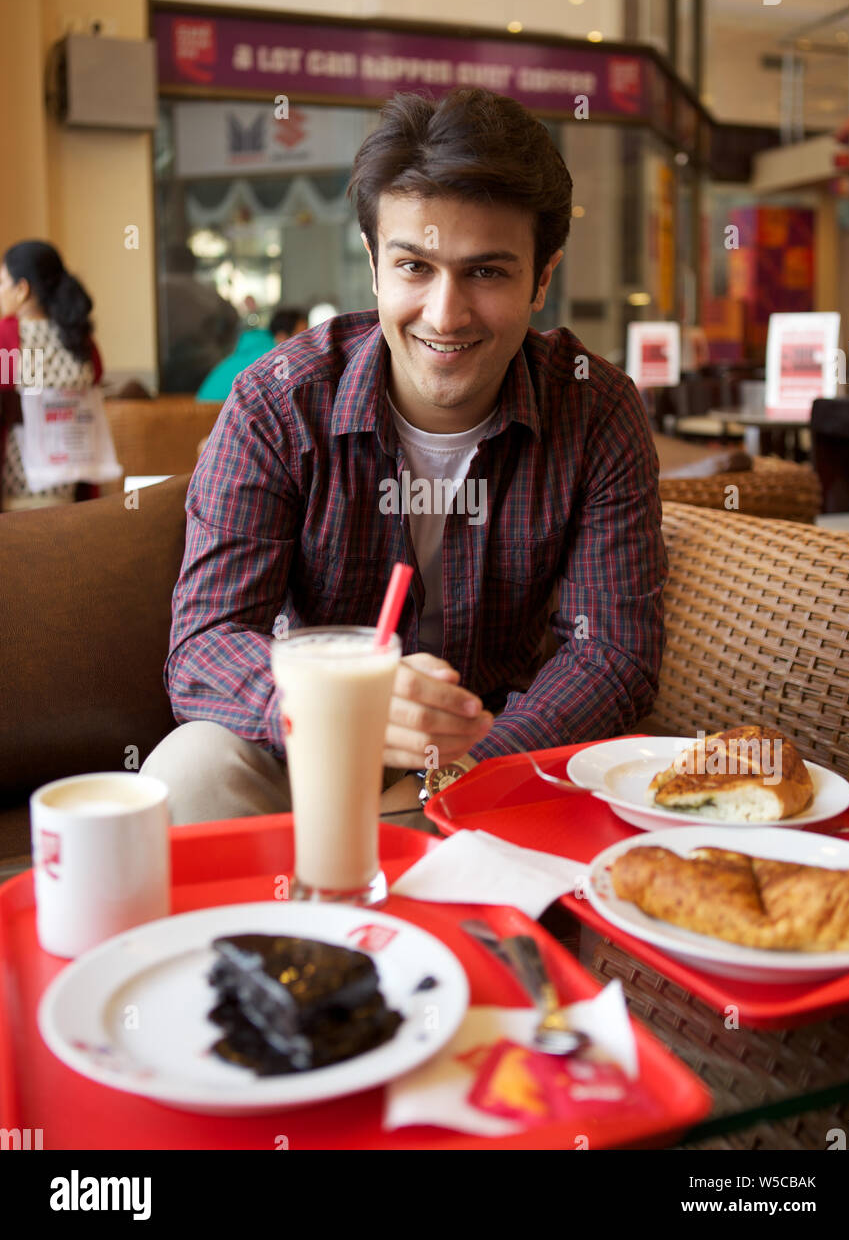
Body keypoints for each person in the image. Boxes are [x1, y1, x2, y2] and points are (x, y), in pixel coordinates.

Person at [142, 88, 667, 826]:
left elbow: (611, 656)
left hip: (497, 766)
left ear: (542, 278)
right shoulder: (278, 402)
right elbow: (204, 645)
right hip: (307, 751)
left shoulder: (597, 408)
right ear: (373, 263)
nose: (445, 314)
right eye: (415, 267)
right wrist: (339, 700)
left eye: (487, 272)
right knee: (188, 769)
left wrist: (457, 775)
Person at [0, 240, 104, 512]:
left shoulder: (7, 336)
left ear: (22, 289)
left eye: (2, 282)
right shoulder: (80, 339)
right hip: (71, 486)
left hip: (16, 488)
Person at [159, 243, 239, 393]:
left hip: (169, 366)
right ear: (193, 264)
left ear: (167, 262)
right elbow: (232, 320)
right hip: (207, 364)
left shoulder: (159, 291)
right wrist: (220, 348)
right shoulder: (208, 293)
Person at [195, 321, 275, 403]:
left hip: (197, 410)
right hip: (220, 411)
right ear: (282, 335)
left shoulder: (232, 359)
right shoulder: (272, 357)